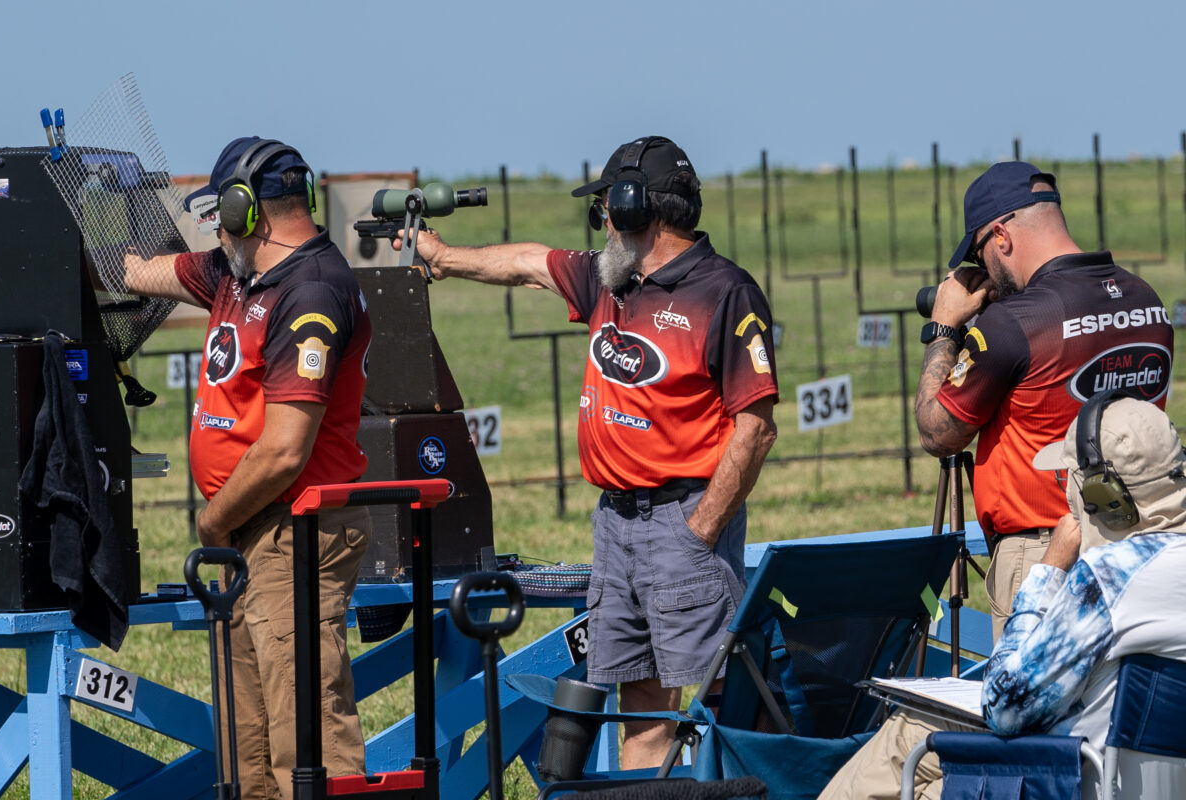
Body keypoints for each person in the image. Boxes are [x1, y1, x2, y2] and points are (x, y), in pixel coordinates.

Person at [392, 135, 779, 768]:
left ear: (632, 208)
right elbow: (525, 262)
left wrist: (700, 530)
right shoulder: (611, 281)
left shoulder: (724, 292)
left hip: (683, 520)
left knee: (723, 699)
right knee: (643, 707)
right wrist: (441, 255)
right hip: (617, 524)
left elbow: (756, 427)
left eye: (606, 208)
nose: (600, 222)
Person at [124, 136, 372, 799]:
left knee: (306, 733)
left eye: (219, 214)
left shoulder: (311, 290)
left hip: (291, 530)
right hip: (248, 531)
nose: (213, 229)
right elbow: (142, 272)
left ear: (244, 209)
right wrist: (62, 252)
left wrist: (212, 520)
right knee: (248, 742)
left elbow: (286, 450)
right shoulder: (238, 271)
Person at [820, 393, 1186, 800]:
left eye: (1070, 479)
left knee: (908, 732)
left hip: (1077, 778)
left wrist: (1048, 571)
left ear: (1103, 496)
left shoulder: (1107, 581)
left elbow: (1005, 706)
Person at [913, 160, 1173, 638]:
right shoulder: (1146, 300)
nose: (983, 269)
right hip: (1139, 543)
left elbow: (937, 431)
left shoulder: (1013, 323)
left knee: (1028, 709)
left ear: (1001, 237)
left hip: (1045, 556)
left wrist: (945, 328)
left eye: (979, 254)